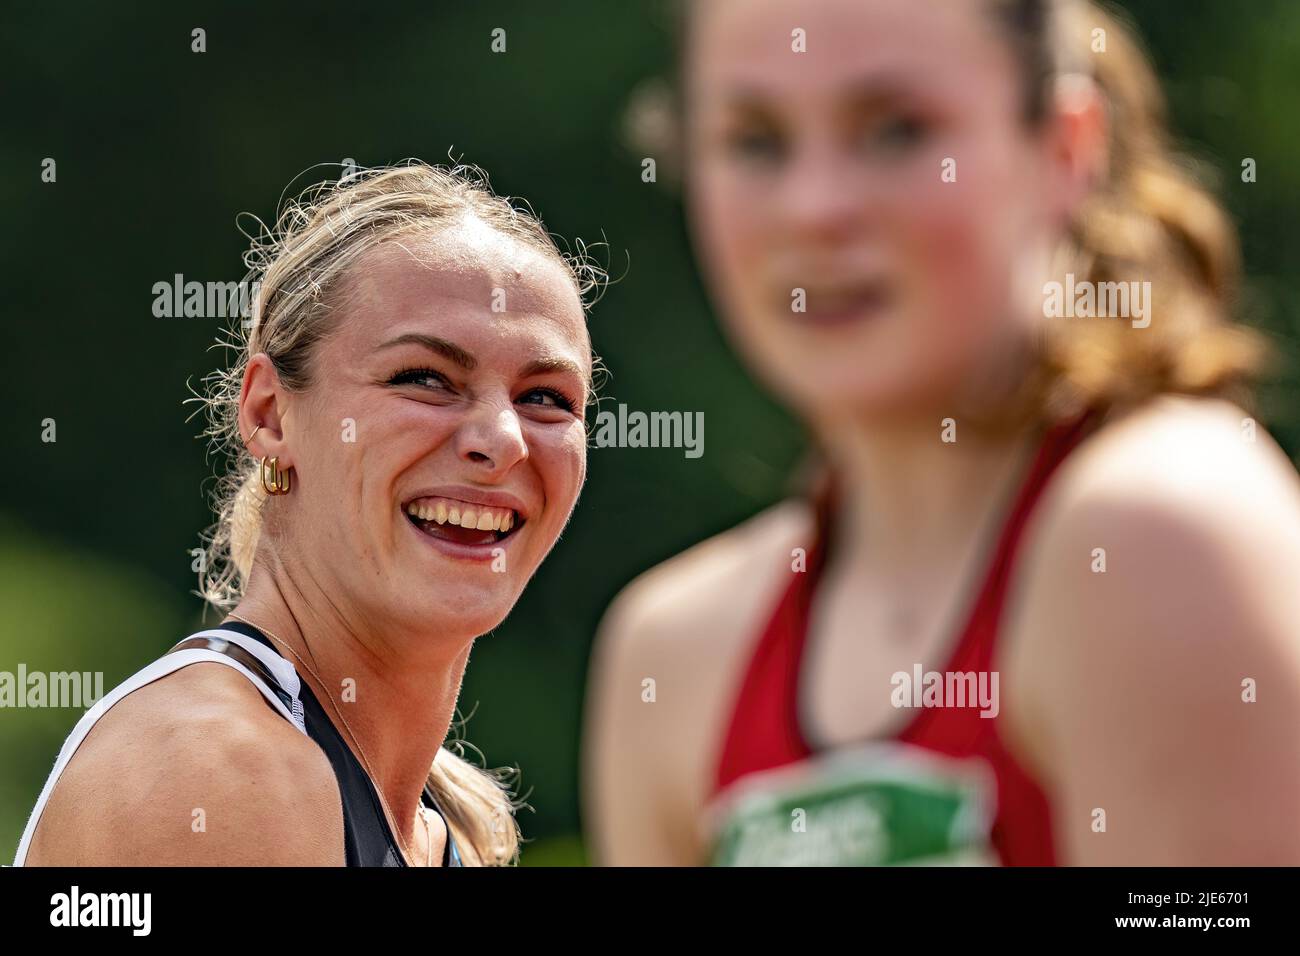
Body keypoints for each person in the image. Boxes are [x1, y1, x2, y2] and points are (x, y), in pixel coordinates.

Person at [585, 0, 1300, 865]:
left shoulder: (1165, 532)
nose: (815, 207)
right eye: (755, 140)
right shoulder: (670, 656)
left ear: (1066, 150)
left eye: (896, 130)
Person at [17, 162, 600, 866]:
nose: (502, 441)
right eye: (425, 379)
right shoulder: (221, 767)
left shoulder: (444, 829)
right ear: (269, 414)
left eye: (547, 397)